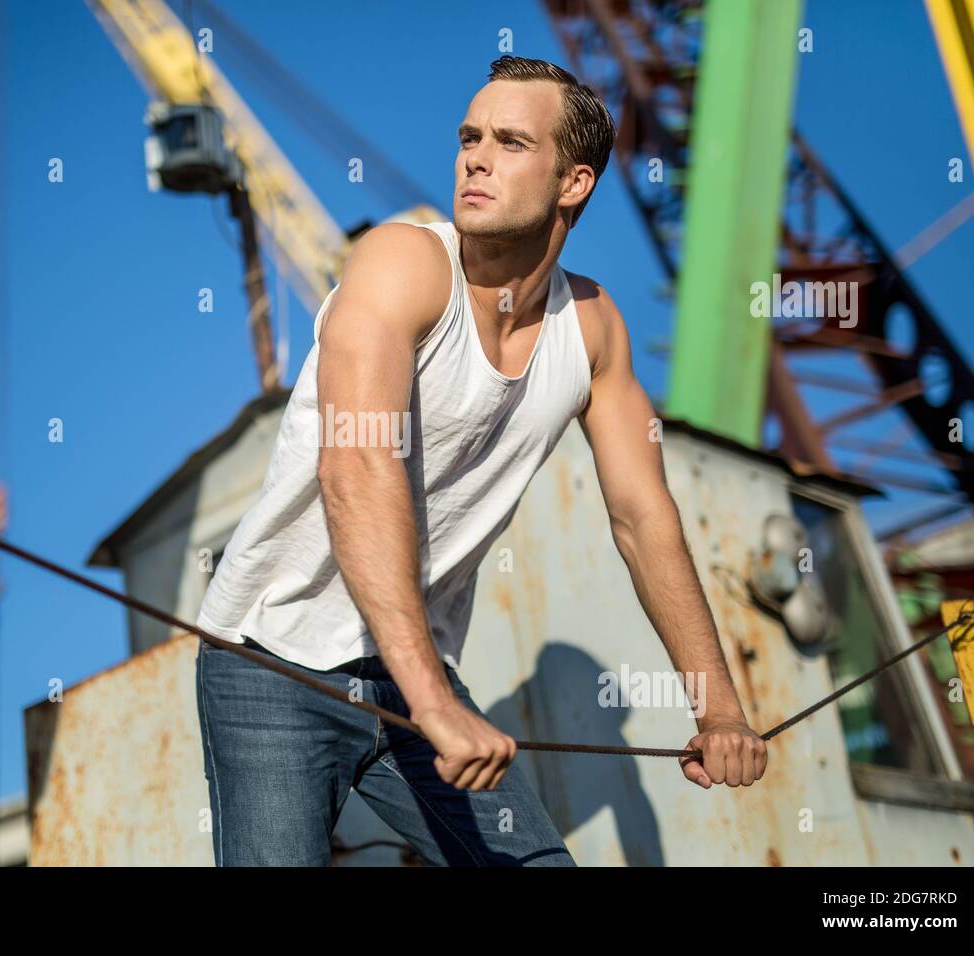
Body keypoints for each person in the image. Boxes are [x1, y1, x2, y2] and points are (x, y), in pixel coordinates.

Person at [193, 54, 767, 867]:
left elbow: (644, 519)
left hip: (413, 672)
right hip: (270, 663)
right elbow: (356, 468)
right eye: (470, 136)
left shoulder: (594, 331)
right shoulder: (402, 265)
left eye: (509, 141)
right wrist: (433, 703)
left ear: (573, 184)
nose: (475, 156)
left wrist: (719, 712)